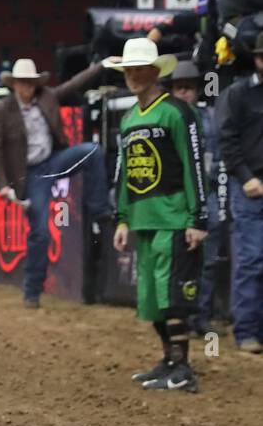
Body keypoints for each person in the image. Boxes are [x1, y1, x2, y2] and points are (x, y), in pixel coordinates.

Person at [107, 39, 208, 392]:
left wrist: (198, 219)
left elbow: (194, 164)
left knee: (172, 297)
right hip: (144, 220)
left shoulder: (177, 112)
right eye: (128, 70)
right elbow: (124, 175)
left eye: (139, 69)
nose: (133, 76)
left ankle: (182, 368)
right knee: (152, 300)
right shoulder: (129, 119)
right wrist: (121, 218)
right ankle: (168, 360)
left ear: (154, 72)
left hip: (175, 219)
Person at [0, 57, 110, 308]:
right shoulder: (1, 112)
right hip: (31, 173)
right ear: (14, 85)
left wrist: (101, 66)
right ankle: (31, 291)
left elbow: (74, 84)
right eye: (22, 83)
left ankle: (100, 210)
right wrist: (3, 185)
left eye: (30, 82)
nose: (27, 87)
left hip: (53, 161)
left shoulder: (47, 96)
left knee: (92, 151)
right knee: (40, 232)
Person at [168, 61, 224, 337]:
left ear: (198, 90)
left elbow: (219, 158)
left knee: (209, 258)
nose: (185, 93)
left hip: (207, 192)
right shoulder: (166, 119)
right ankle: (180, 317)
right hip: (175, 197)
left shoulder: (211, 118)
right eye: (179, 88)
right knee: (178, 259)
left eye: (189, 88)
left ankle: (201, 317)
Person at [216, 32, 263, 353]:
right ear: (258, 59)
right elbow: (227, 140)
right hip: (249, 187)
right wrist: (246, 177)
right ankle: (246, 329)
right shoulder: (239, 94)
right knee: (252, 258)